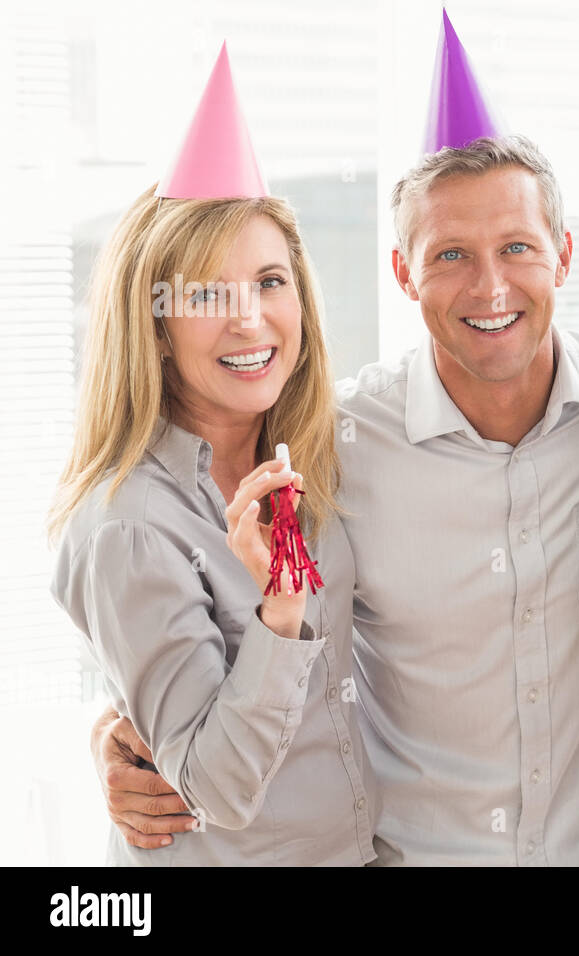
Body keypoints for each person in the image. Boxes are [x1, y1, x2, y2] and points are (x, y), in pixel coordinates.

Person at [91, 134, 579, 865]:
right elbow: (198, 609)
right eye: (450, 254)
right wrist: (118, 730)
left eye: (517, 247)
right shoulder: (334, 446)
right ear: (402, 273)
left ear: (565, 255)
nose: (490, 287)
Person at [49, 186, 379, 865]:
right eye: (205, 296)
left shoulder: (317, 454)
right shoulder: (129, 526)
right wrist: (280, 615)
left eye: (269, 282)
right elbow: (216, 789)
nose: (250, 320)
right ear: (157, 330)